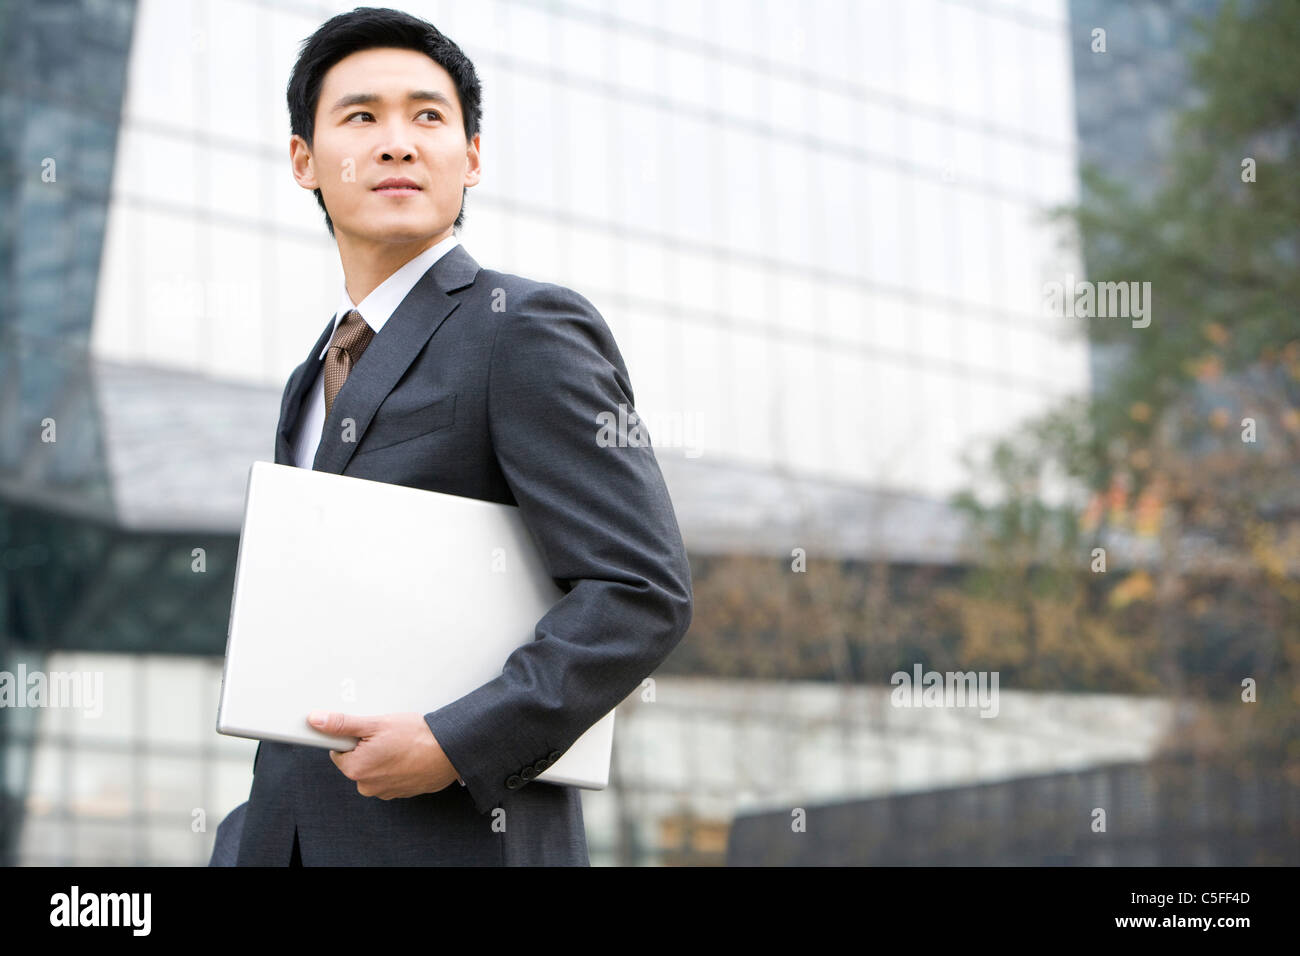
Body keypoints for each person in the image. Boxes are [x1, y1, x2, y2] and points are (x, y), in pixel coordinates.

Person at [211, 6, 692, 866]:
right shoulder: (309, 380)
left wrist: (455, 742)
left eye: (428, 116)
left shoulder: (524, 329)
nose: (398, 142)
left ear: (470, 157)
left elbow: (639, 590)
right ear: (304, 161)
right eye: (361, 117)